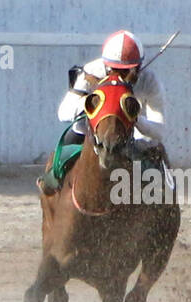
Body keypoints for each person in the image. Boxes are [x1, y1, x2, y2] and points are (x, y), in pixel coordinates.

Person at [41, 29, 165, 194]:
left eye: (126, 71)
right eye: (113, 69)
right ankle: (53, 182)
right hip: (86, 132)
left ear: (138, 67)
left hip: (131, 136)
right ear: (105, 65)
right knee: (58, 164)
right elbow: (64, 113)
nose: (119, 76)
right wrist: (97, 98)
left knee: (156, 170)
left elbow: (159, 131)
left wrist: (135, 119)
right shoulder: (91, 72)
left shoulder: (150, 81)